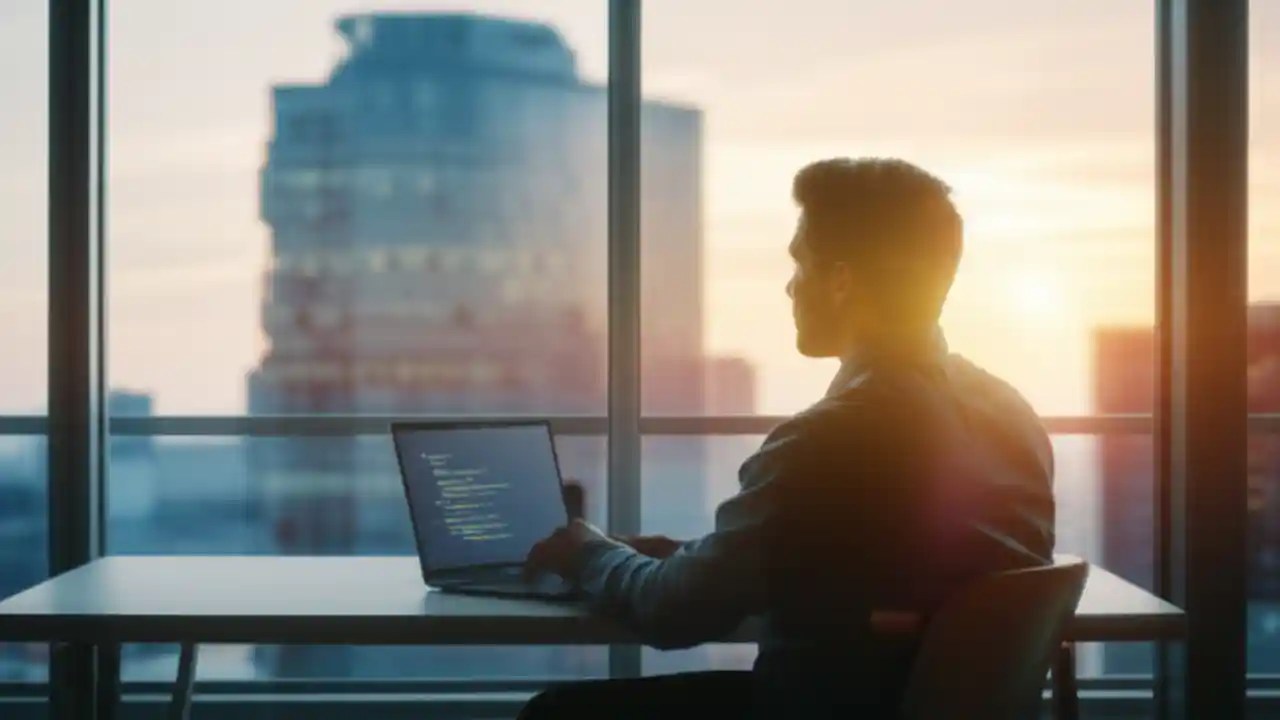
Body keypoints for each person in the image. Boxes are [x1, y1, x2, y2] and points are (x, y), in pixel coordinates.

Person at [520, 158, 1056, 719]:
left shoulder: (827, 440)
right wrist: (687, 556)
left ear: (842, 280)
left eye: (800, 262)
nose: (789, 285)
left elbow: (672, 613)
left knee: (553, 716)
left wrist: (588, 554)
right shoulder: (1011, 415)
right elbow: (886, 566)